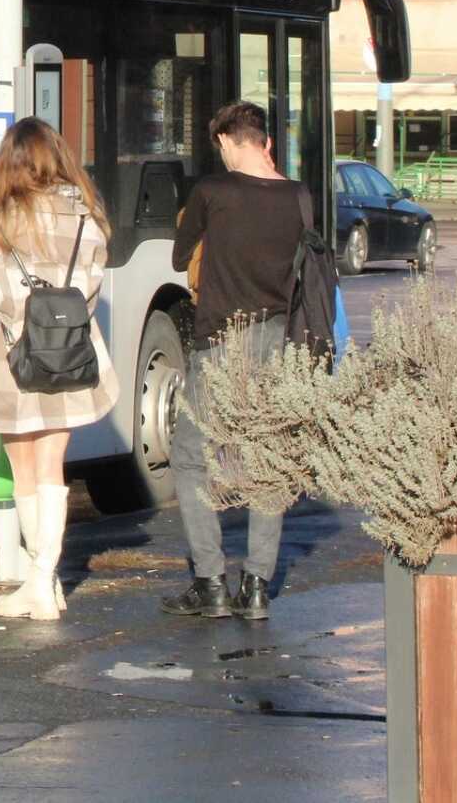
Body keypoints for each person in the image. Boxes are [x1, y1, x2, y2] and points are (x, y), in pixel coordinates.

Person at [0, 118, 117, 622]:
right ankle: (43, 580)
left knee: (23, 473)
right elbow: (88, 293)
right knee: (53, 470)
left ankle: (40, 581)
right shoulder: (87, 220)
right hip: (68, 356)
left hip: (12, 360)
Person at [162, 100, 307, 622]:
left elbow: (181, 258)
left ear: (226, 141)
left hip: (221, 339)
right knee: (267, 457)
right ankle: (258, 585)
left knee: (191, 455)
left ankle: (210, 582)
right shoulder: (298, 197)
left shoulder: (212, 192)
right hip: (276, 339)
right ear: (263, 141)